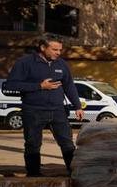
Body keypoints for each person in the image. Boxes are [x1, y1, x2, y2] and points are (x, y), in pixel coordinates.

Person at [5, 36, 83, 177]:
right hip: (33, 110)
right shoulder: (25, 63)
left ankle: (74, 174)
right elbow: (11, 84)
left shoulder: (62, 64)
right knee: (33, 144)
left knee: (67, 144)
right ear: (42, 48)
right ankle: (34, 175)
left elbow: (69, 86)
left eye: (60, 50)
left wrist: (78, 106)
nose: (58, 53)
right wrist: (39, 86)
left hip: (58, 110)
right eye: (54, 49)